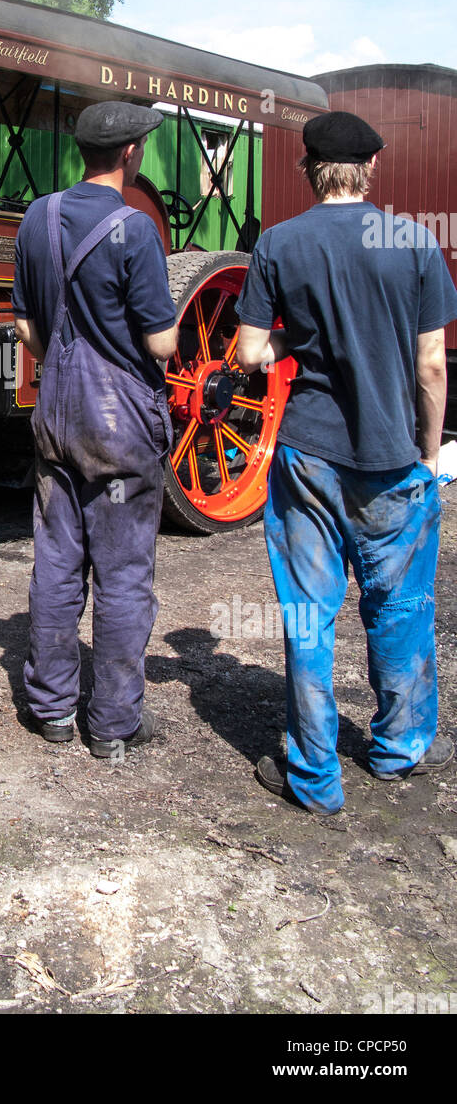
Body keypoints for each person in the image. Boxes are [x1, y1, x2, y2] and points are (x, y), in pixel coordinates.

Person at [235, 110, 457, 814]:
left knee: (309, 614)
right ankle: (400, 749)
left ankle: (314, 778)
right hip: (393, 458)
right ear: (371, 168)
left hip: (307, 456)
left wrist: (291, 342)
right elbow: (430, 365)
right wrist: (429, 453)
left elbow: (249, 353)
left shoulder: (278, 243)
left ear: (308, 168)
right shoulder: (413, 241)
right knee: (400, 607)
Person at [12, 100, 178, 757]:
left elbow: (26, 330)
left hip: (56, 415)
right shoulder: (135, 229)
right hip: (120, 429)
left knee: (56, 562)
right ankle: (112, 724)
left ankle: (50, 710)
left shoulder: (37, 215)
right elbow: (161, 344)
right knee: (123, 574)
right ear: (131, 153)